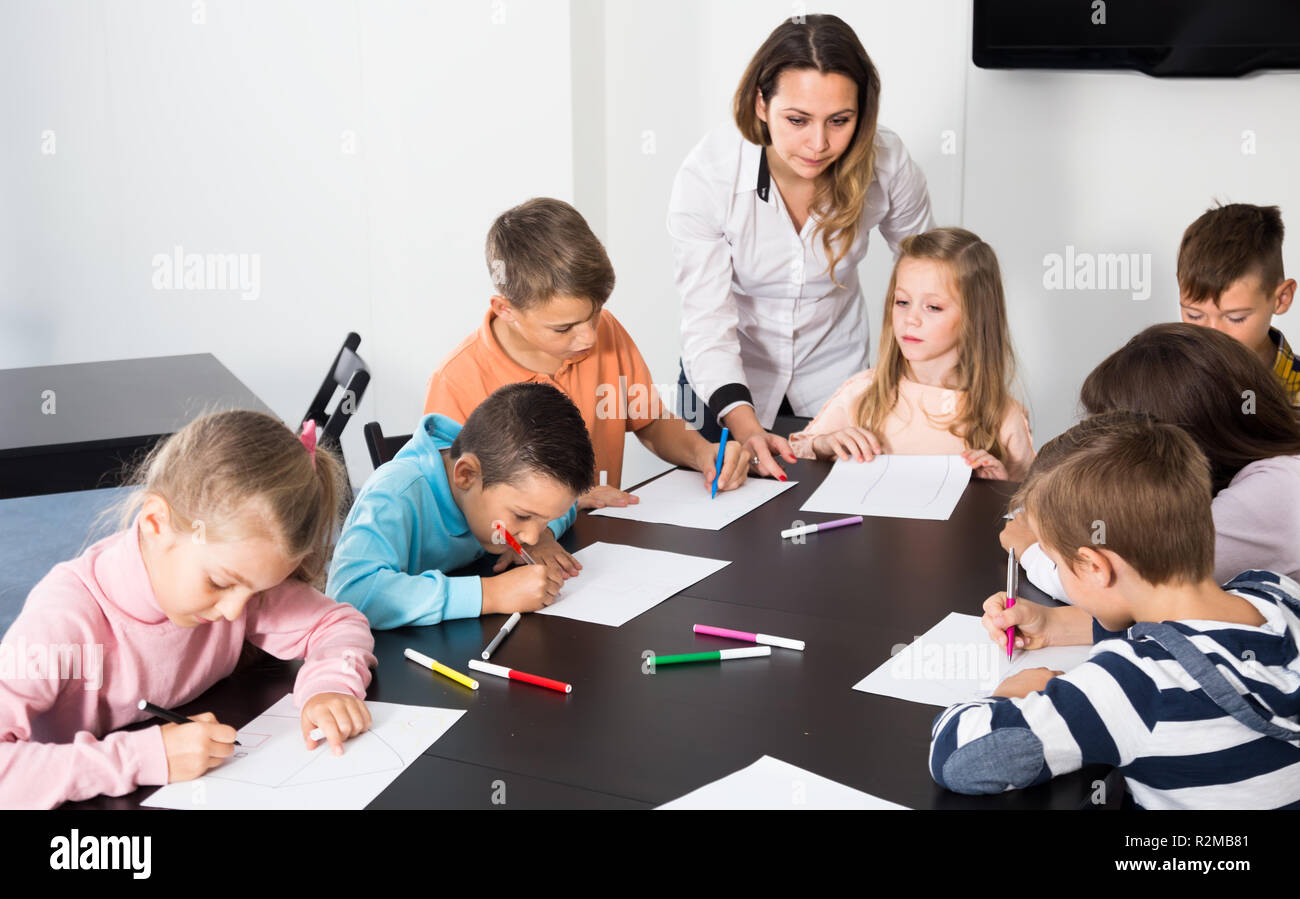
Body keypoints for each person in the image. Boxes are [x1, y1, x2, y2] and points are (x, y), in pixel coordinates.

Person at [0, 411, 376, 808]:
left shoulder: (237, 581)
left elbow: (337, 622)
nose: (234, 612)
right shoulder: (62, 621)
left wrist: (329, 686)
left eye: (254, 592)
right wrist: (144, 757)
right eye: (219, 582)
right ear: (156, 523)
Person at [931, 411, 1300, 809]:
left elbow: (961, 757)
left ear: (1094, 566)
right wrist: (1056, 624)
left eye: (1055, 561)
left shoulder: (1131, 686)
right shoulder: (1274, 593)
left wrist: (1007, 693)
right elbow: (1194, 636)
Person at [670, 13, 934, 477]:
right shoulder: (708, 175)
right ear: (760, 104)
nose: (818, 144)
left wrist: (923, 393)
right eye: (797, 120)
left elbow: (932, 275)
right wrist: (747, 427)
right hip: (725, 381)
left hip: (832, 378)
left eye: (839, 120)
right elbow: (706, 322)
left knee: (830, 524)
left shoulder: (888, 164)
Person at [425, 198, 750, 511]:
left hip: (602, 539)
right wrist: (561, 505)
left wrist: (702, 451)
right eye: (563, 329)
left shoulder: (606, 331)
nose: (589, 336)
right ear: (506, 310)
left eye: (594, 314)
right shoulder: (456, 380)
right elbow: (453, 501)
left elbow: (651, 422)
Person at [331, 382, 596, 629]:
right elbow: (350, 593)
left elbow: (554, 509)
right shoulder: (395, 494)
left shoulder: (506, 490)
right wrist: (491, 594)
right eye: (522, 516)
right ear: (466, 475)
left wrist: (547, 536)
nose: (530, 536)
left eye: (545, 520)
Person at [788, 228, 1033, 481]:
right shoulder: (861, 393)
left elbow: (1030, 508)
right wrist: (825, 445)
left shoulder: (1004, 416)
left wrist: (999, 491)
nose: (911, 319)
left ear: (976, 316)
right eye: (902, 302)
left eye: (933, 307)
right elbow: (794, 455)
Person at [1177, 203, 1298, 409]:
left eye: (1236, 318)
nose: (1212, 334)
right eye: (1194, 315)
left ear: (1282, 298)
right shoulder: (1164, 384)